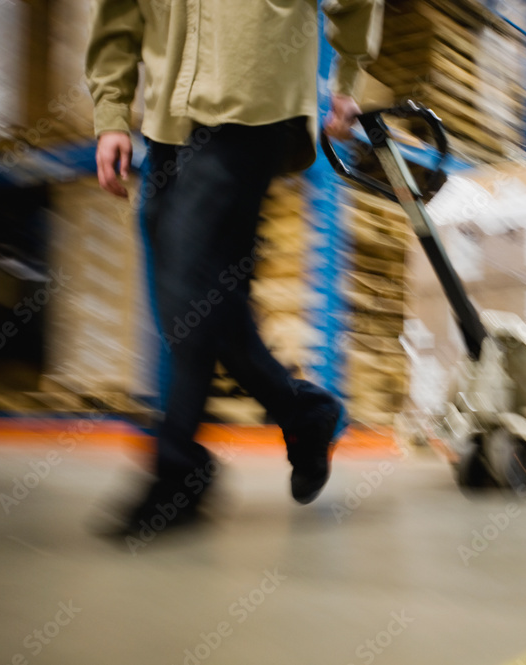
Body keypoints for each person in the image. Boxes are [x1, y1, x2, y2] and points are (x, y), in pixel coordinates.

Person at [85, 0, 383, 536]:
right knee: (203, 299)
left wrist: (347, 77)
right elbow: (120, 13)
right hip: (168, 116)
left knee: (190, 283)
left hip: (254, 101)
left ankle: (179, 469)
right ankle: (302, 413)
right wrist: (111, 113)